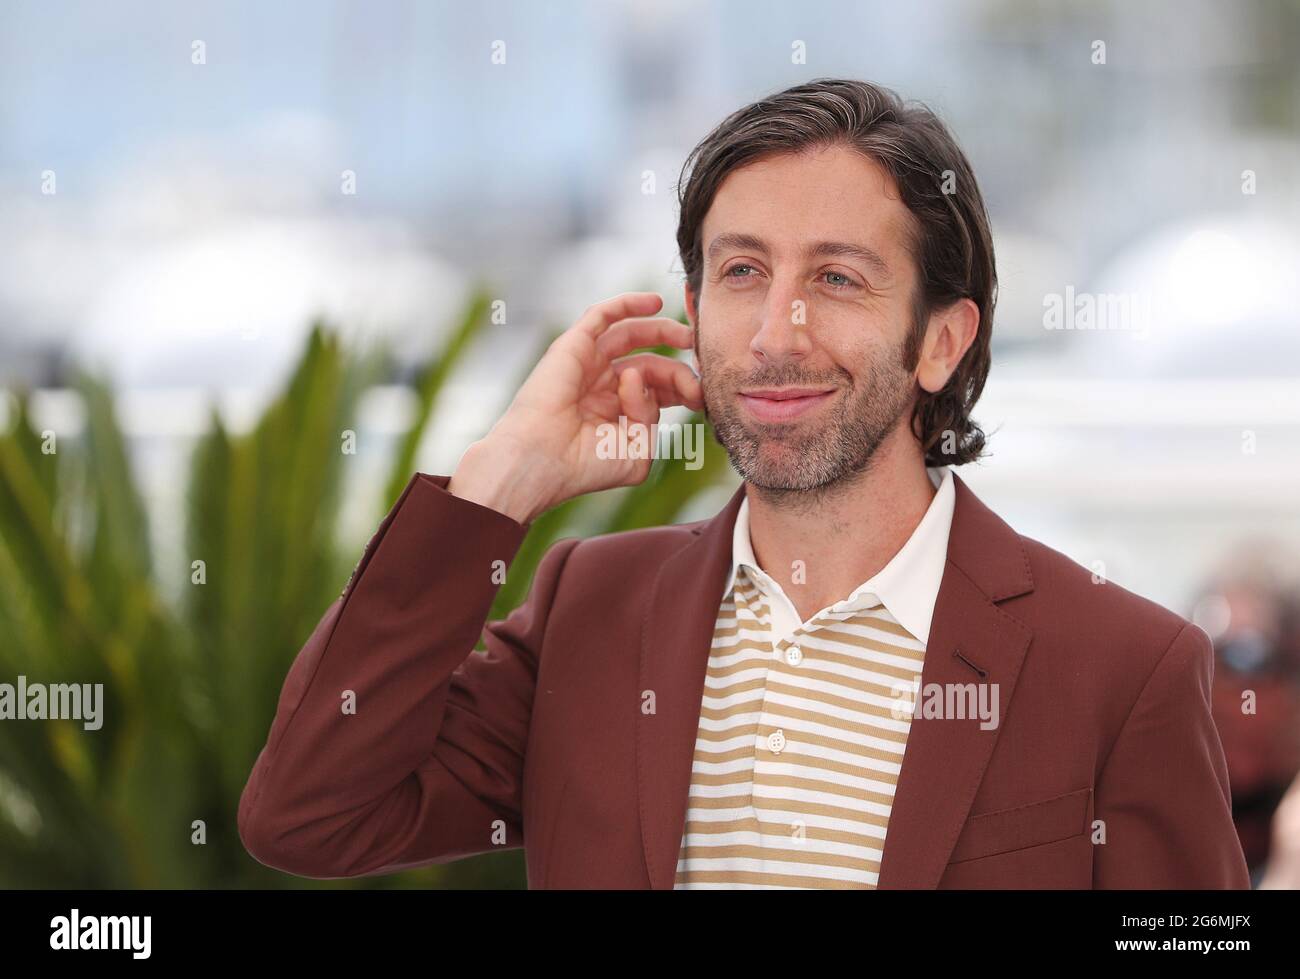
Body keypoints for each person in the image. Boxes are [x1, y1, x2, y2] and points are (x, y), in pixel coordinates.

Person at [237, 78, 1249, 889]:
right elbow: (311, 812)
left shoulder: (1119, 667)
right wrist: (495, 487)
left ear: (941, 340)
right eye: (742, 273)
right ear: (692, 307)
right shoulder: (595, 612)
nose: (775, 334)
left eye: (836, 278)